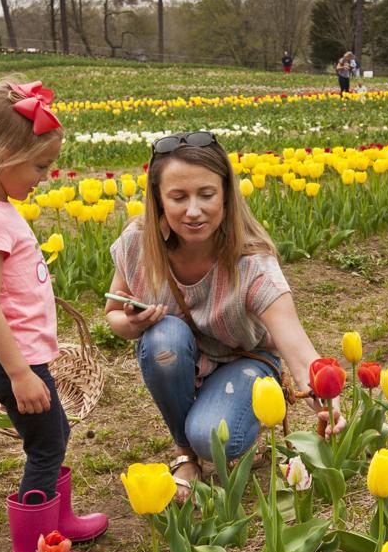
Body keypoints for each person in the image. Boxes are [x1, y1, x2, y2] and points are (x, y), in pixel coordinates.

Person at [105, 131, 346, 503]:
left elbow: (293, 341)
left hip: (245, 361)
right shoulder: (138, 245)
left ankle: (227, 425)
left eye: (206, 194)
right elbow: (113, 315)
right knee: (161, 339)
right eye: (178, 197)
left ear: (225, 194)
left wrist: (325, 398)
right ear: (158, 200)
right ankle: (184, 453)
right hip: (178, 357)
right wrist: (131, 324)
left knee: (212, 437)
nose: (194, 210)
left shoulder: (251, 262)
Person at [0, 78, 106, 552]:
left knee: (54, 434)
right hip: (8, 359)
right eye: (39, 166)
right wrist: (20, 373)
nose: (45, 176)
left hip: (15, 355)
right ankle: (35, 550)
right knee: (44, 446)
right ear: (1, 154)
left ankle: (59, 522)